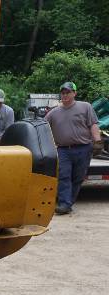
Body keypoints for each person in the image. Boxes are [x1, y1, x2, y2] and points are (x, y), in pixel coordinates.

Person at [45, 81, 102, 215]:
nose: (65, 95)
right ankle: (64, 204)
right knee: (64, 176)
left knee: (78, 177)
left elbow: (93, 125)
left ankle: (68, 202)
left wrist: (98, 141)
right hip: (63, 150)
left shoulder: (85, 107)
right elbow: (43, 126)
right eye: (63, 93)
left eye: (68, 92)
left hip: (83, 148)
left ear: (74, 93)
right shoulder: (54, 113)